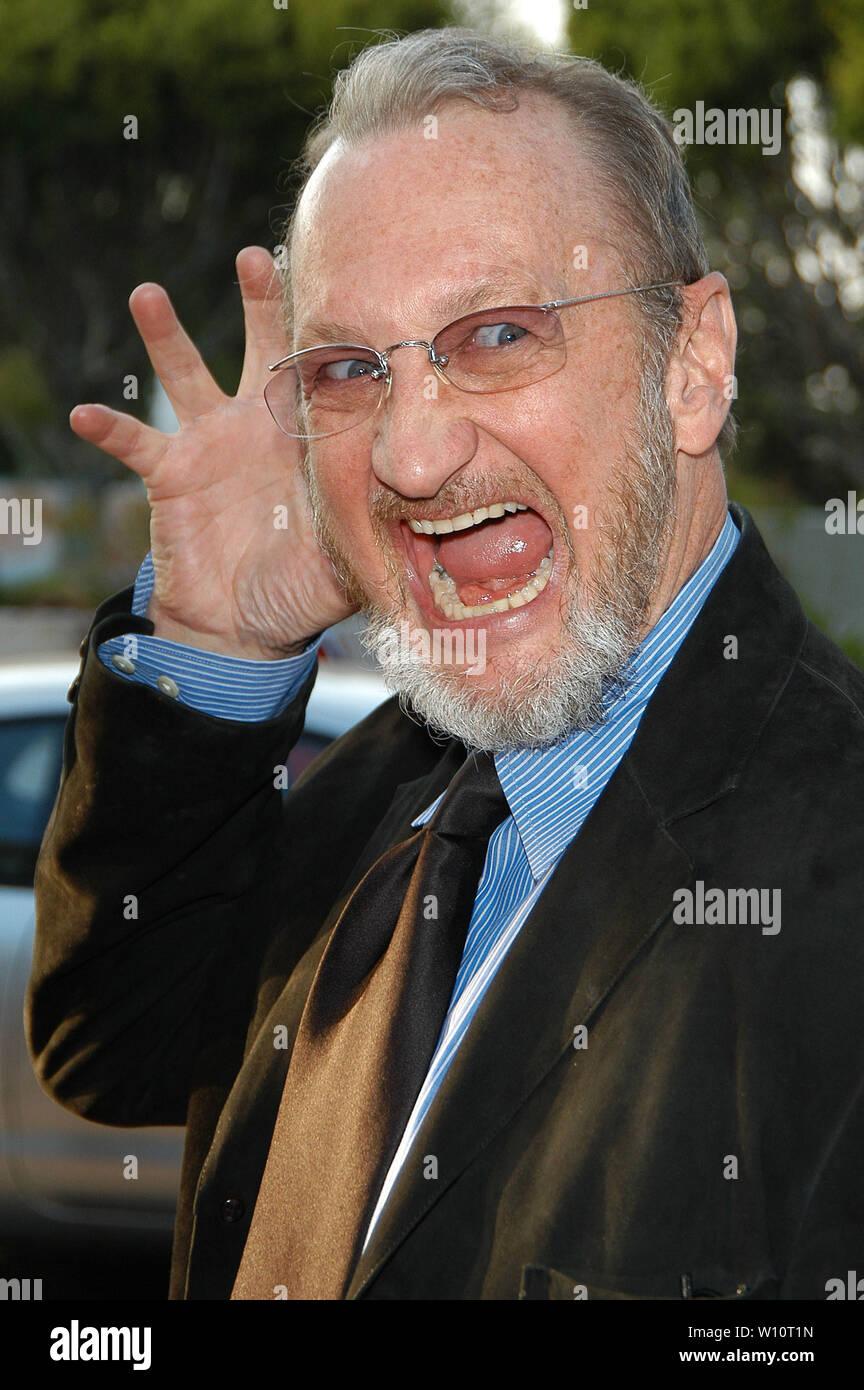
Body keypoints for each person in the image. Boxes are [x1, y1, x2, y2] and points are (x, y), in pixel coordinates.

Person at [27, 26, 864, 1301]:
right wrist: (221, 643)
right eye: (348, 369)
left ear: (694, 366)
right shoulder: (382, 798)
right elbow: (113, 1040)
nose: (410, 455)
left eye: (498, 335)